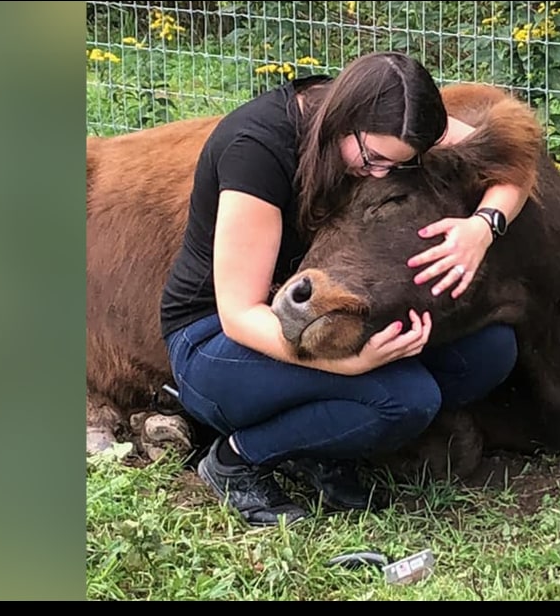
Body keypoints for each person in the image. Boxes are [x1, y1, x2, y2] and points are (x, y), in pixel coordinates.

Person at [160, 51, 531, 527]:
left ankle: (323, 445)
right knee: (406, 399)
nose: (379, 173)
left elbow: (515, 157)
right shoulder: (257, 149)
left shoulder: (392, 122)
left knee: (490, 352)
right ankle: (236, 459)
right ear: (343, 119)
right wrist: (352, 364)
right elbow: (239, 313)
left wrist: (483, 226)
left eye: (397, 165)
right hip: (217, 342)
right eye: (373, 159)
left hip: (324, 317)